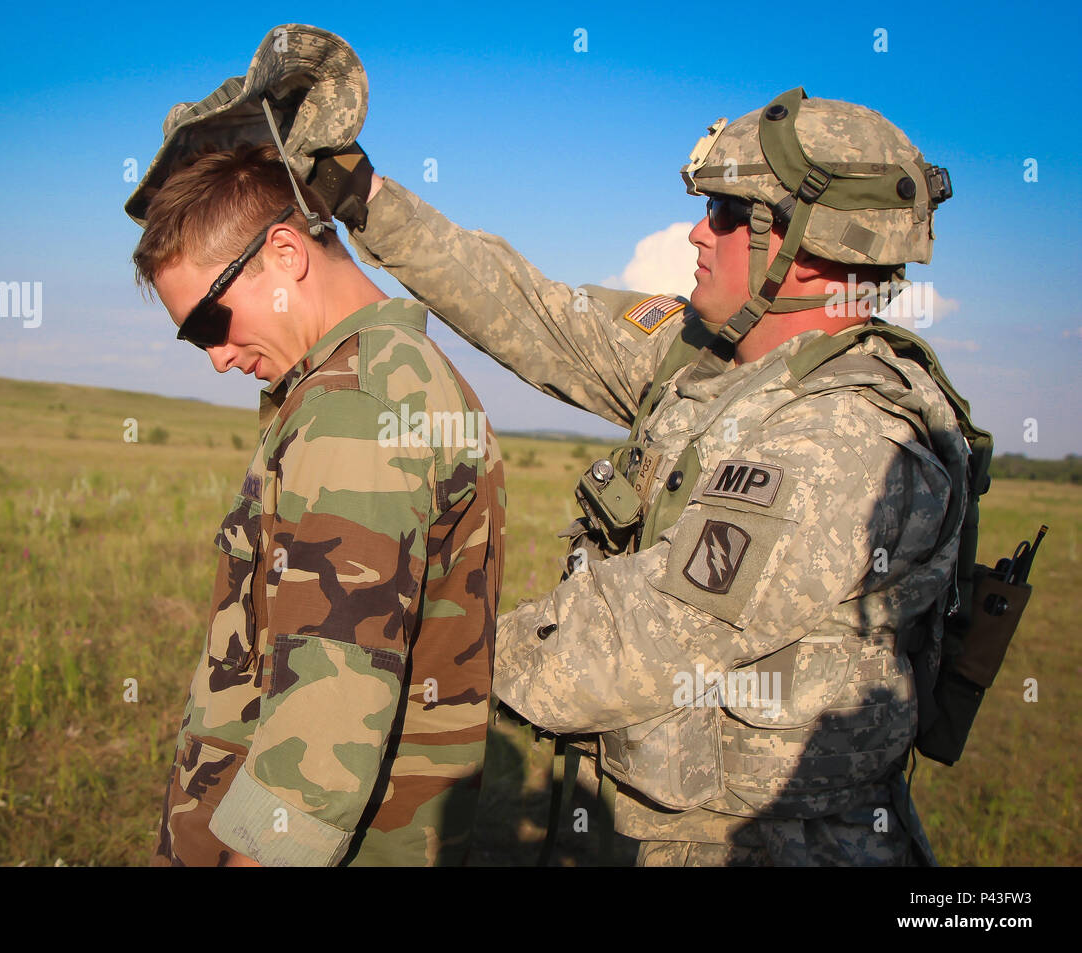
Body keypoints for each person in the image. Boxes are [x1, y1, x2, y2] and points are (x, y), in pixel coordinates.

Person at [301, 86, 978, 865]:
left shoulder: (848, 437)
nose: (698, 232)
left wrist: (387, 647)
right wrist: (361, 196)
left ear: (810, 251)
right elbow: (536, 313)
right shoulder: (711, 359)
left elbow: (634, 640)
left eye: (727, 214)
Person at [130, 141, 506, 866]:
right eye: (194, 338)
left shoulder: (355, 408)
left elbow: (319, 752)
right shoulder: (378, 382)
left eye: (211, 320)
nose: (217, 355)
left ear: (284, 252)